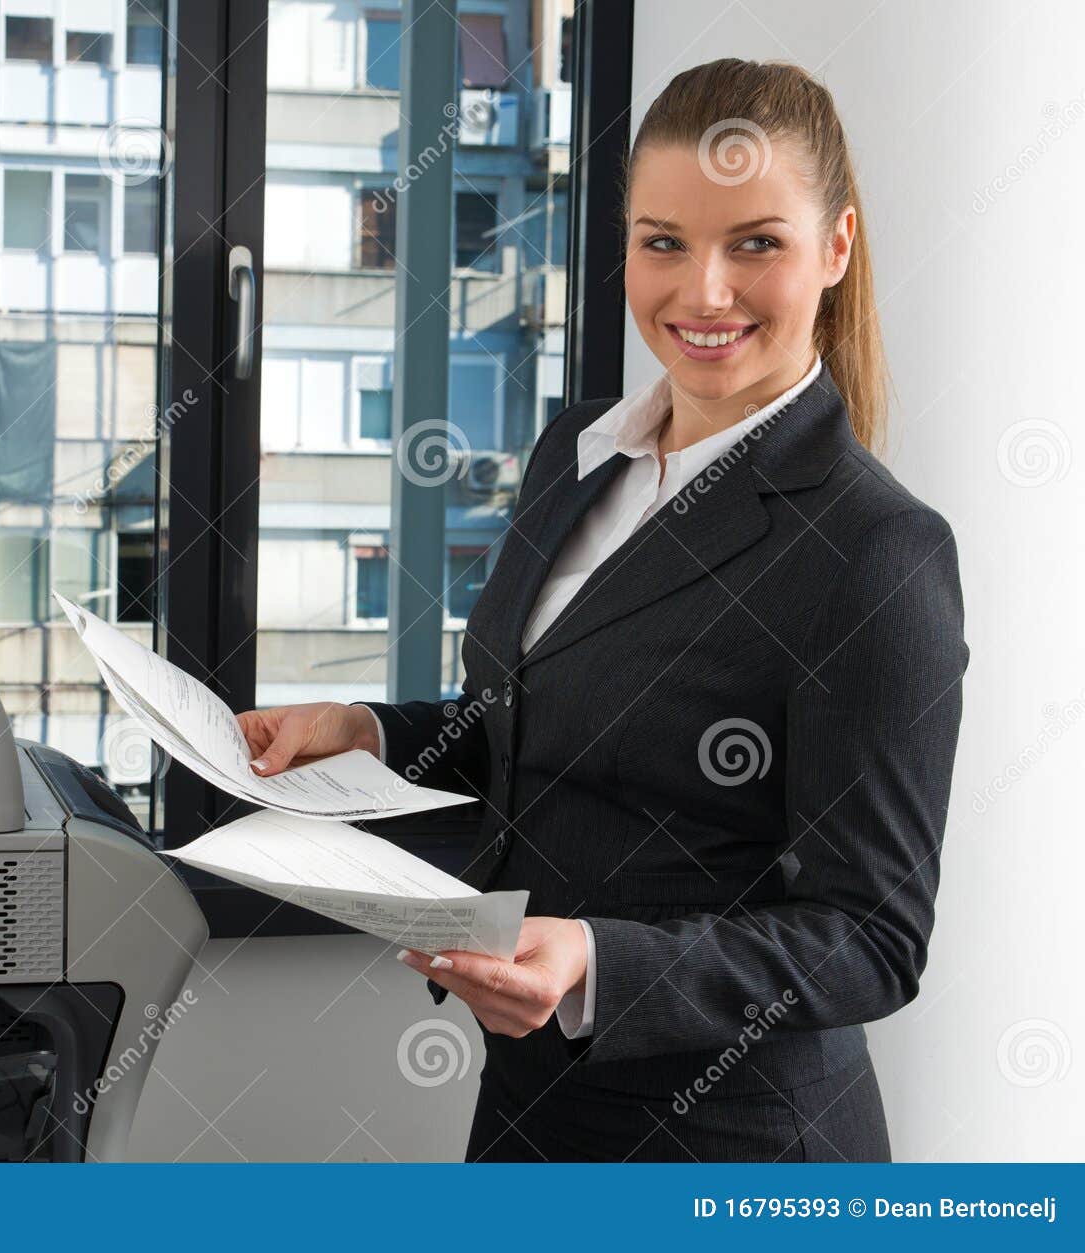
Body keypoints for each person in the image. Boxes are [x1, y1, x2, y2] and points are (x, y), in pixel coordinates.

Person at [236, 58, 969, 1162]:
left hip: (729, 1144)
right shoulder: (577, 456)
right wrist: (369, 732)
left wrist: (594, 962)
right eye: (664, 241)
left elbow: (868, 936)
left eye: (755, 243)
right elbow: (551, 720)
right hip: (533, 1108)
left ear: (836, 249)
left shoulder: (875, 551)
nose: (702, 292)